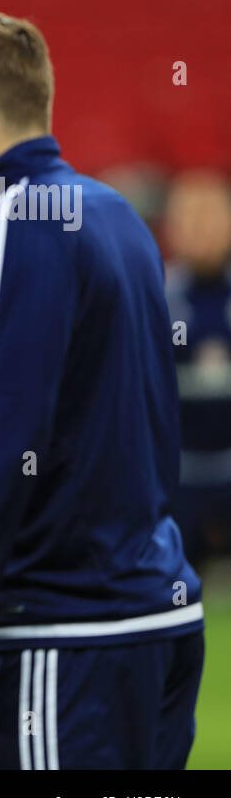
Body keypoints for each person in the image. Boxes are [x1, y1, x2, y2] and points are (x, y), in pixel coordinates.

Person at [0, 10, 204, 769]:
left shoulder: (12, 221)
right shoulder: (116, 215)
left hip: (67, 636)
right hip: (160, 620)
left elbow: (1, 442)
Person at [163, 169, 231, 570]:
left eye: (212, 217)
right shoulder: (155, 297)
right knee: (172, 590)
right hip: (178, 478)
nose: (203, 230)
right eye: (192, 219)